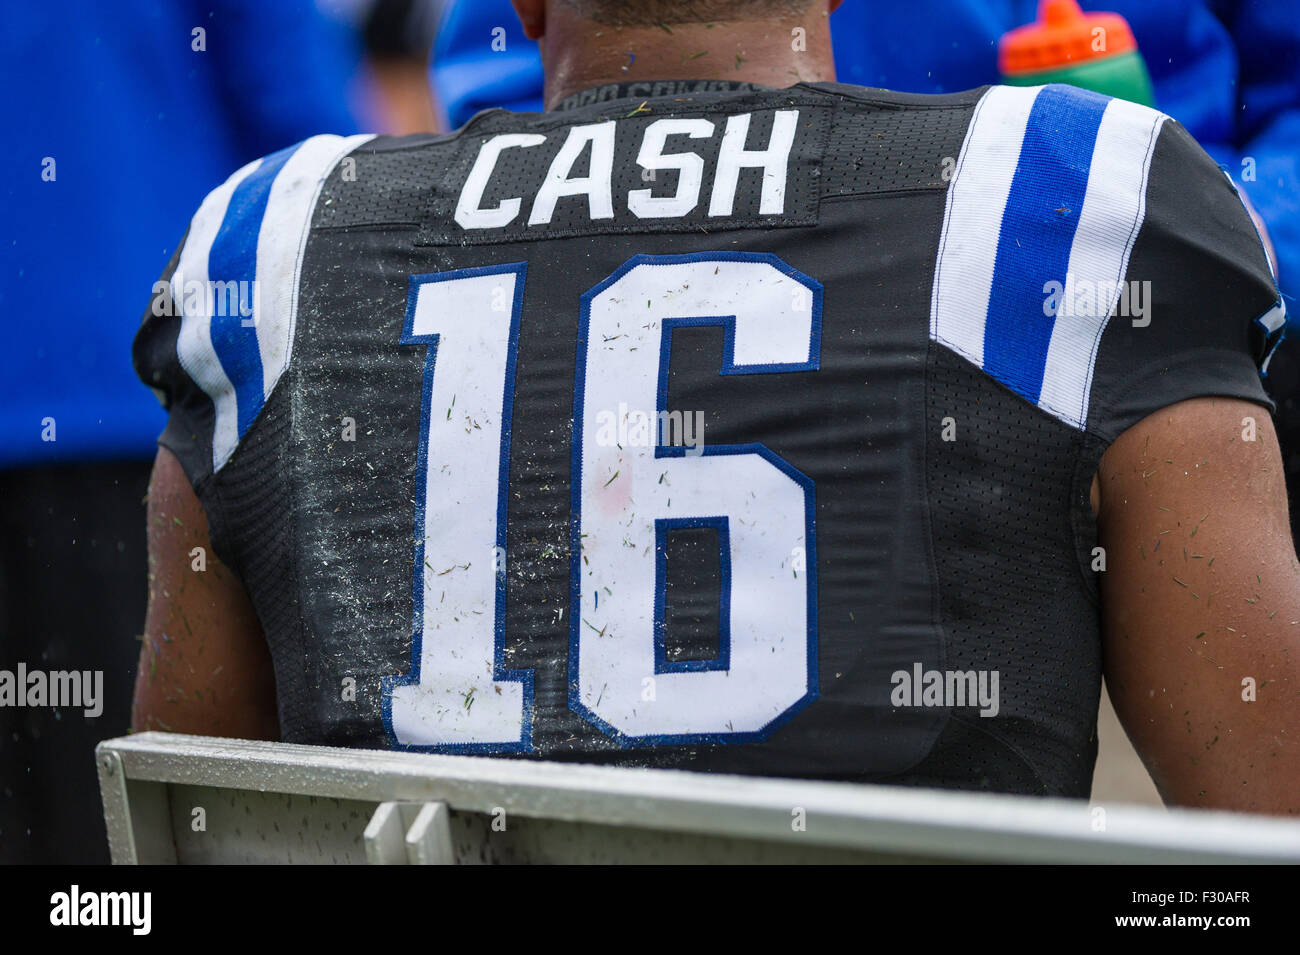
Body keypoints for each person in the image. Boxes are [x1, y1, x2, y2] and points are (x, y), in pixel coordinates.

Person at [131, 0, 1296, 813]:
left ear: (521, 3)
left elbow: (180, 830)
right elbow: (1265, 821)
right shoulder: (1067, 199)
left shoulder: (276, 247)